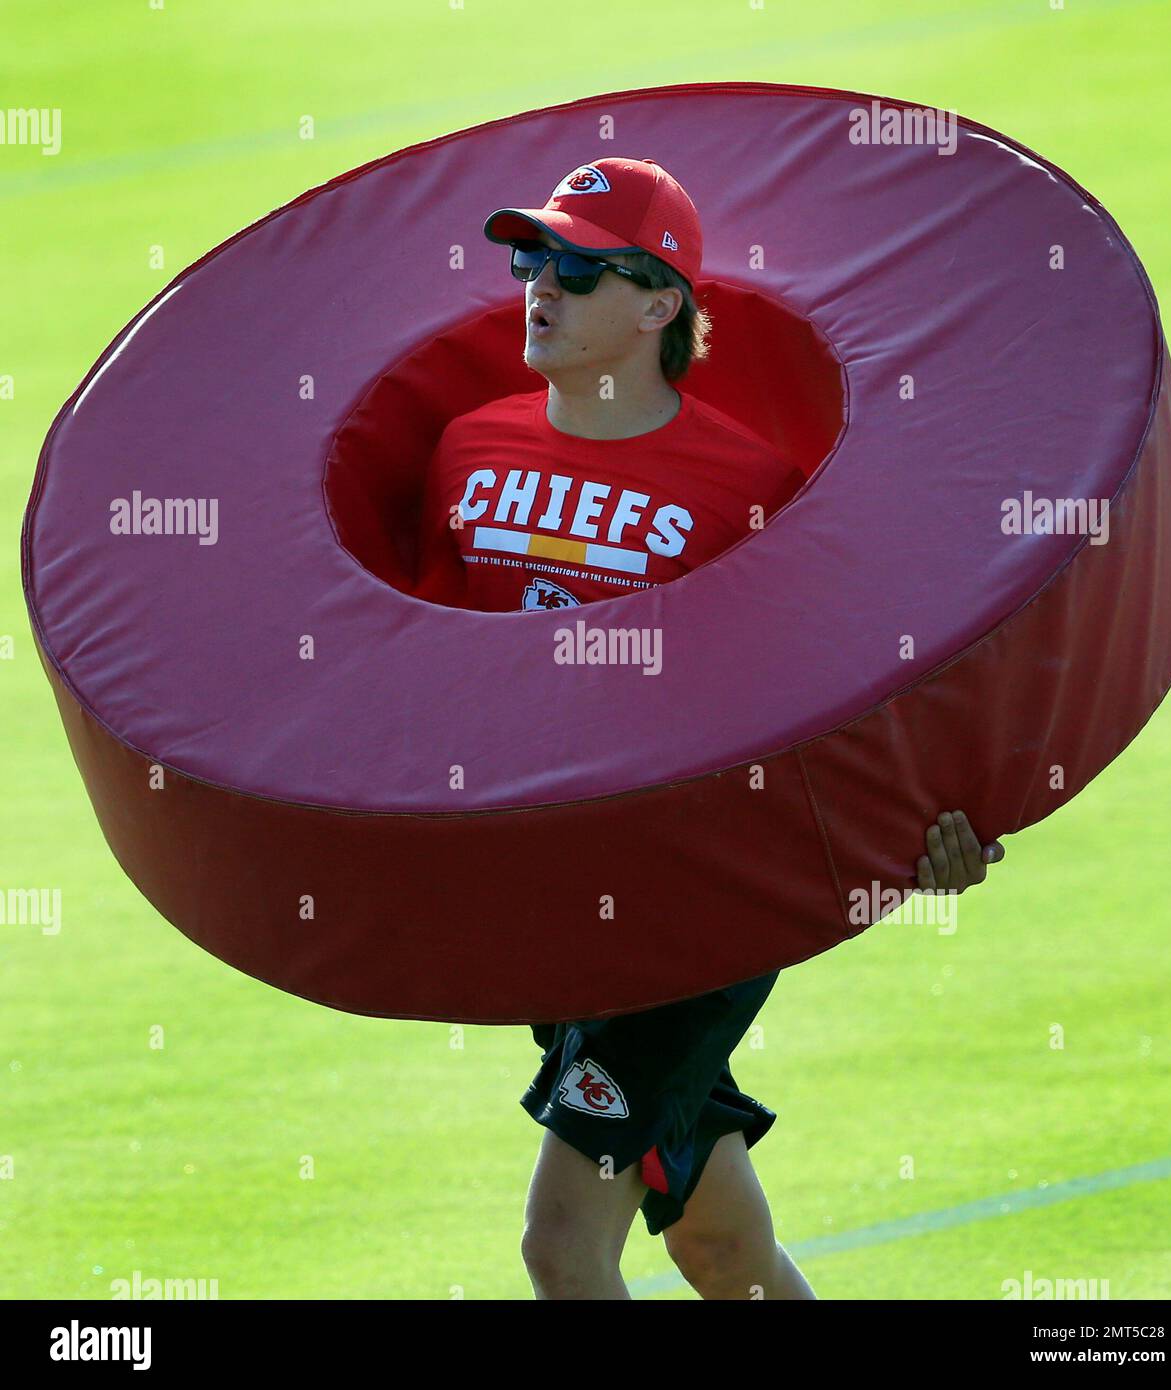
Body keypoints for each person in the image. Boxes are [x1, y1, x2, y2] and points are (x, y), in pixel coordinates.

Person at [414, 158, 1005, 1298]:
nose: (542, 285)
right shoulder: (465, 450)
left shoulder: (751, 488)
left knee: (561, 1242)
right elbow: (427, 675)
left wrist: (928, 834)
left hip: (695, 893)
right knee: (720, 1246)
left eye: (580, 269)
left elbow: (840, 687)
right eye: (533, 259)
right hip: (547, 892)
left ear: (659, 303)